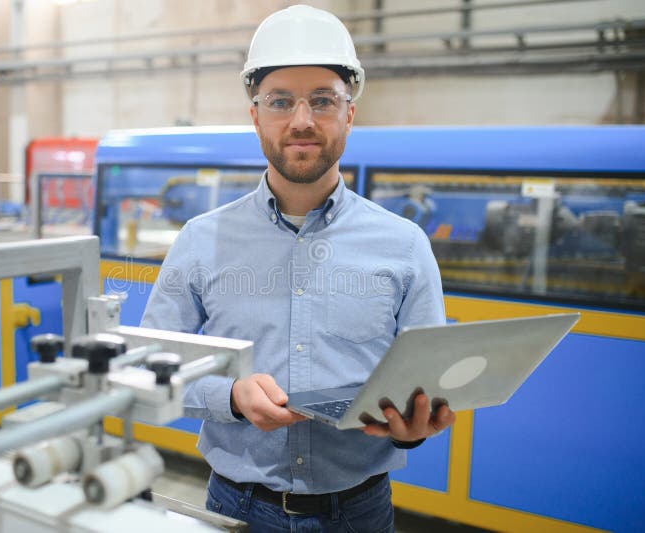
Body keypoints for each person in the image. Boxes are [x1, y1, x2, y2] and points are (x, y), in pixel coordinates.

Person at [141, 5, 455, 532]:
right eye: (280, 101)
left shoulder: (405, 245)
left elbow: (427, 381)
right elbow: (151, 361)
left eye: (323, 101)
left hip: (360, 512)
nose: (302, 120)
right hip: (237, 506)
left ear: (349, 114)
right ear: (256, 116)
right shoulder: (200, 240)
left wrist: (412, 427)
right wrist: (231, 398)